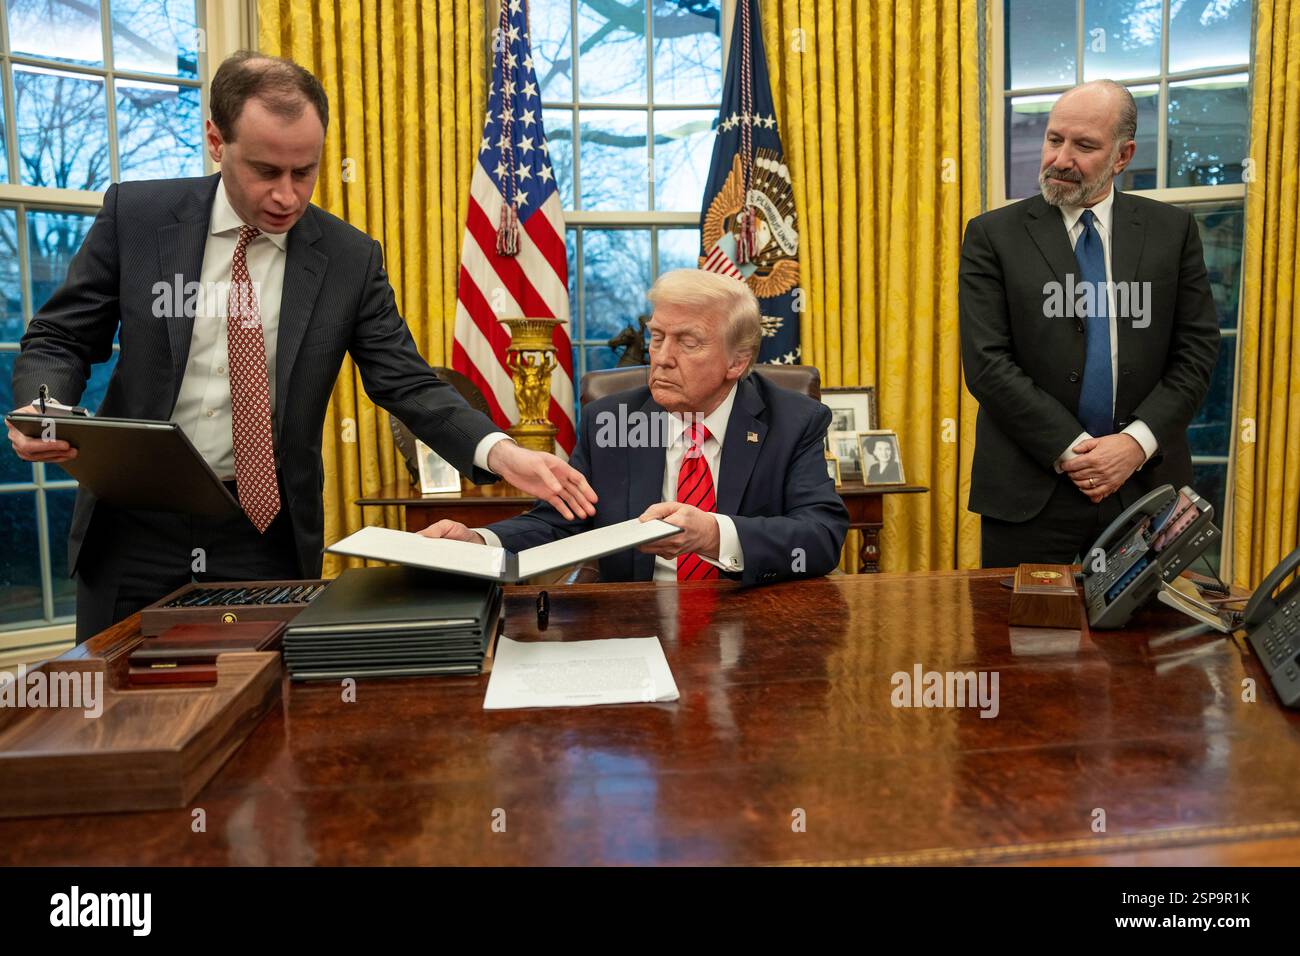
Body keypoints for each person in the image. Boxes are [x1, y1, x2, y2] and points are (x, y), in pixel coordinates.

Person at [6, 51, 596, 641]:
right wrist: (45, 408)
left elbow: (407, 382)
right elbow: (61, 337)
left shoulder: (349, 258)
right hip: (132, 526)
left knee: (265, 717)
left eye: (304, 172)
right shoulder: (135, 216)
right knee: (116, 714)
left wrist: (502, 451)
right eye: (265, 171)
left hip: (263, 535)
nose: (287, 196)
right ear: (216, 140)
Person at [419, 269, 849, 585]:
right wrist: (481, 541)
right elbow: (561, 522)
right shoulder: (611, 421)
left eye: (688, 342)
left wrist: (714, 535)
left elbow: (821, 536)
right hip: (637, 619)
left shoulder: (792, 421)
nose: (661, 357)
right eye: (657, 336)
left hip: (755, 620)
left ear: (737, 361)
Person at [959, 79, 1219, 567]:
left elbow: (1197, 352)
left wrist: (1133, 445)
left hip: (1146, 489)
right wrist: (1077, 451)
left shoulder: (1173, 231)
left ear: (1123, 156)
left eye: (1084, 146)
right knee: (1020, 641)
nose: (1060, 158)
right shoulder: (992, 236)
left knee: (1148, 643)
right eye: (1054, 139)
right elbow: (987, 363)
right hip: (1030, 491)